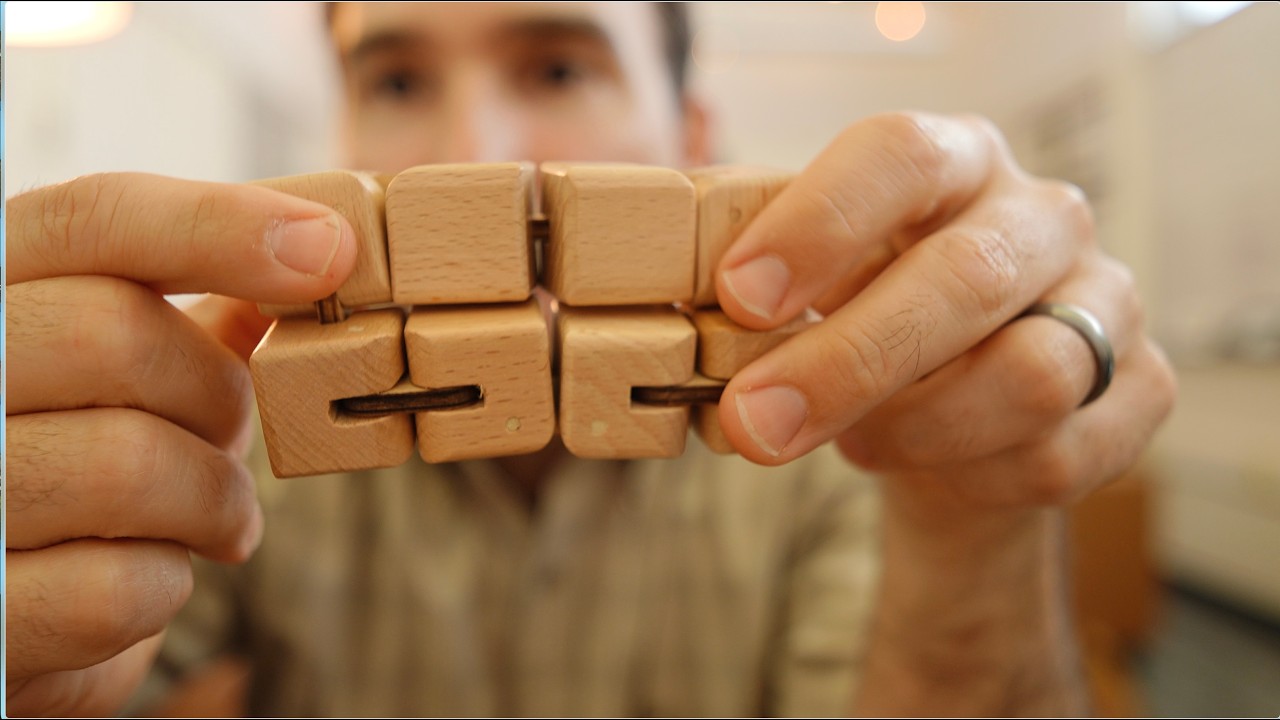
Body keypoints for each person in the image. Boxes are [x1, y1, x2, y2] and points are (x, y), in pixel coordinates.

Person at [4, 2, 1177, 716]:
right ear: (342, 144)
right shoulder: (229, 417)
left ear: (695, 146)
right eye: (398, 81)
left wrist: (974, 520)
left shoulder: (848, 434)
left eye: (557, 67)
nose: (476, 155)